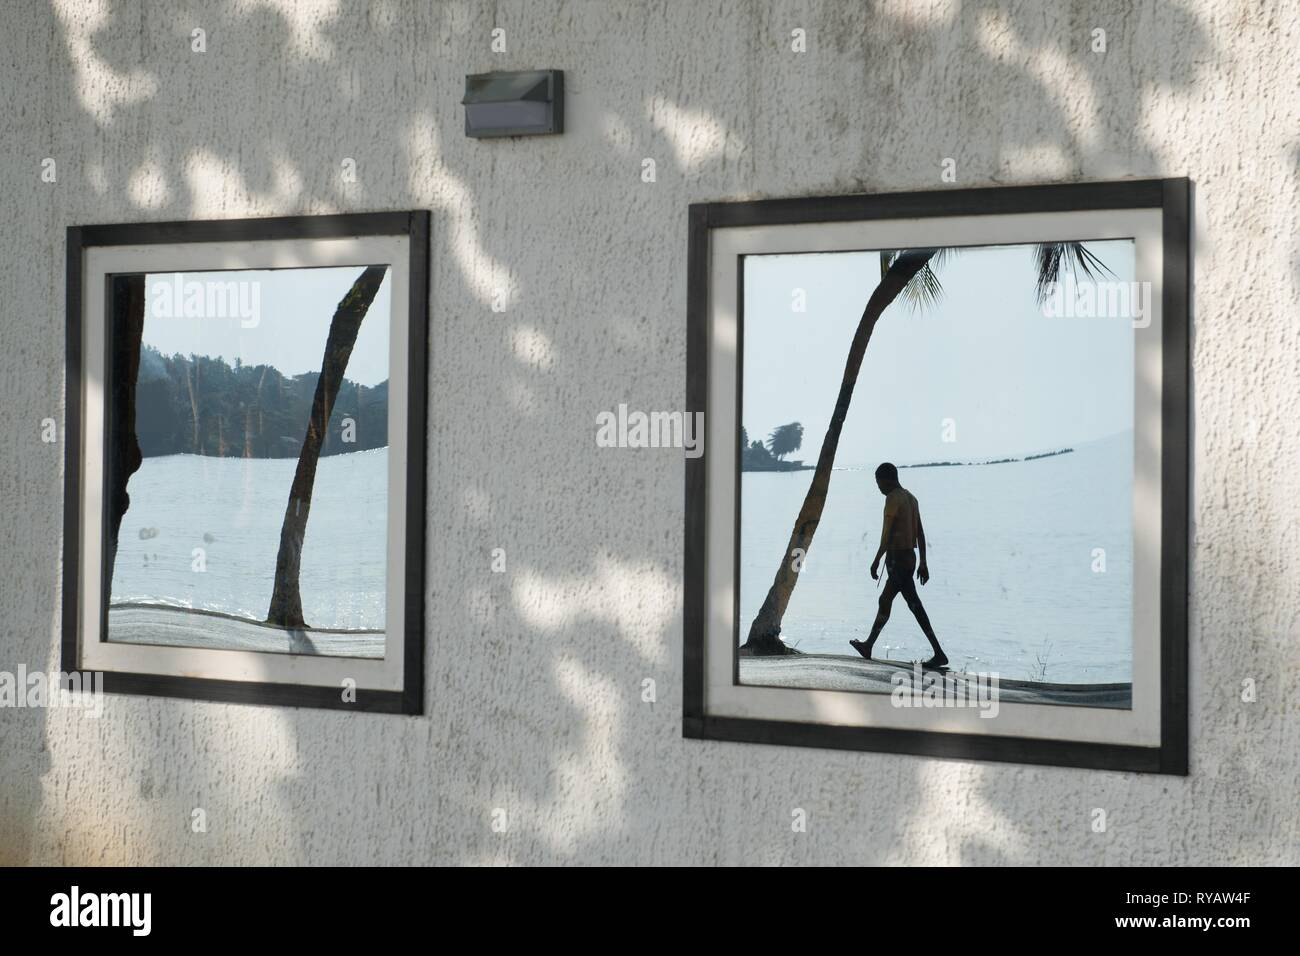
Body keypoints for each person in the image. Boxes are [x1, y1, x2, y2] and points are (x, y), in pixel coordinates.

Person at [849, 462, 949, 668]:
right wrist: (923, 562)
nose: (878, 488)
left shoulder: (892, 498)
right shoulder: (911, 498)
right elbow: (920, 532)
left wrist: (876, 559)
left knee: (908, 604)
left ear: (886, 480)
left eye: (878, 483)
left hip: (897, 560)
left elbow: (887, 534)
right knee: (892, 601)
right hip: (910, 559)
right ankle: (869, 644)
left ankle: (938, 653)